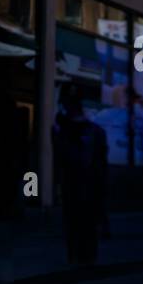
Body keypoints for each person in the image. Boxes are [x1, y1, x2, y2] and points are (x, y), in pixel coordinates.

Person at [51, 93, 108, 266]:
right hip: (78, 184)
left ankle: (82, 257)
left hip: (84, 184)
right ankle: (82, 257)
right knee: (80, 223)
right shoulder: (64, 131)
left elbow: (98, 162)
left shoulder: (87, 132)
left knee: (80, 223)